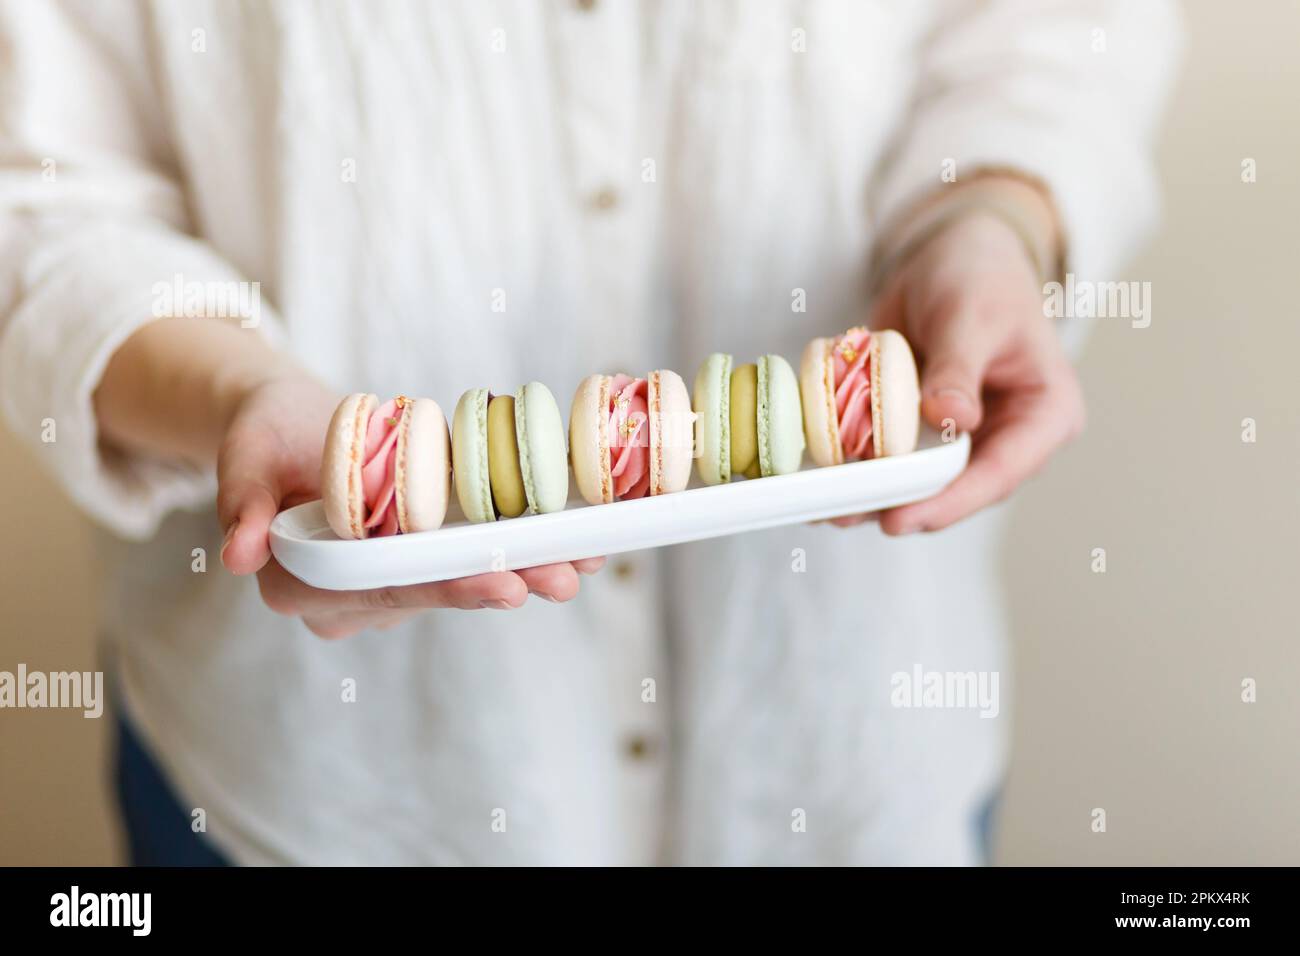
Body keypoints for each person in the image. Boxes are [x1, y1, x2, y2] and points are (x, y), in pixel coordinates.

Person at [0, 1, 1180, 865]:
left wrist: (989, 219)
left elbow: (1058, 37)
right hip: (317, 798)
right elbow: (39, 190)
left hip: (850, 759)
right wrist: (232, 390)